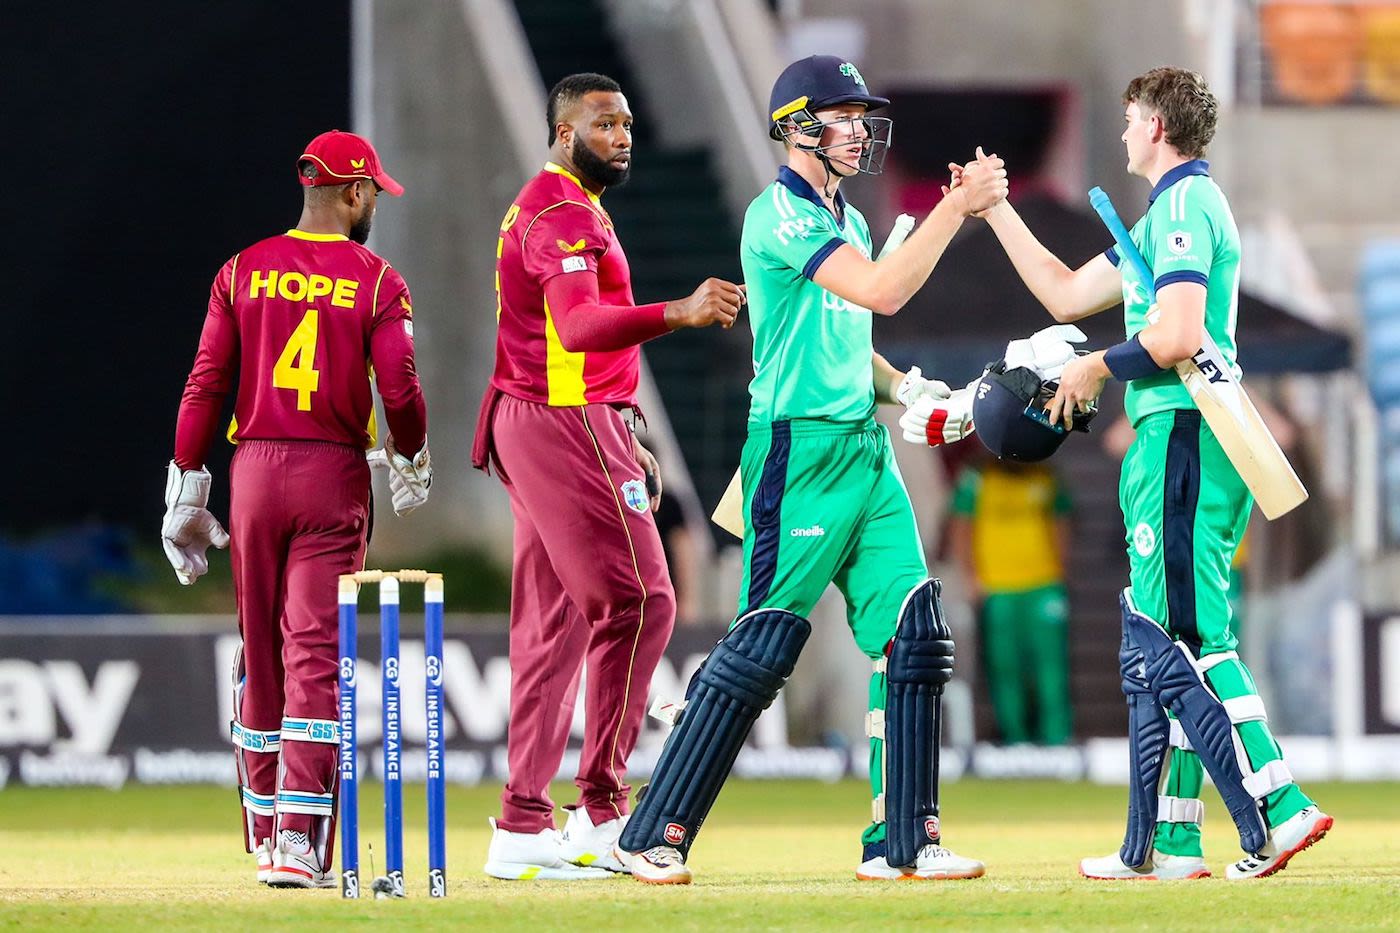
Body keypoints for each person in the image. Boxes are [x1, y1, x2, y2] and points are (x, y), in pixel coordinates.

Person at [614, 55, 1006, 885]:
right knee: (764, 646)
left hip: (865, 450)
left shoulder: (848, 220)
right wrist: (953, 208)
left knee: (917, 632)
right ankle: (651, 831)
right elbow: (883, 292)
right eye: (842, 115)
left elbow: (854, 341)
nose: (859, 130)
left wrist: (910, 389)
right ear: (797, 126)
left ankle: (904, 839)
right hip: (797, 455)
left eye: (864, 116)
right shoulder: (779, 217)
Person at [969, 66, 1330, 880]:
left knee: (1190, 640)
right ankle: (1169, 839)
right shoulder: (1164, 214)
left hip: (1186, 436)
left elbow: (1175, 335)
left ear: (1156, 126)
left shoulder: (1186, 207)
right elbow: (1064, 294)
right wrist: (996, 212)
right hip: (1182, 438)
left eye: (1131, 118)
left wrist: (1097, 367)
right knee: (1163, 640)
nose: (1125, 131)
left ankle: (1278, 803)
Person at [470, 72, 744, 880]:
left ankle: (523, 823)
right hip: (559, 420)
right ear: (563, 135)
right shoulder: (559, 212)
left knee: (553, 626)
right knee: (641, 598)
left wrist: (628, 419)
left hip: (552, 417)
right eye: (603, 124)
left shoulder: (568, 205)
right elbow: (578, 325)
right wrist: (680, 311)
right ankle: (599, 808)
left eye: (626, 122)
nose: (622, 135)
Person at [162, 130, 431, 888]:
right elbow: (401, 391)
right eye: (374, 190)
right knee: (314, 651)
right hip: (332, 477)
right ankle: (299, 841)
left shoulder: (240, 269)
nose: (375, 201)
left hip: (251, 475)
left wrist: (187, 483)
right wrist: (411, 452)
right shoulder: (379, 280)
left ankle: (262, 823)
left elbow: (205, 383)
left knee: (261, 647)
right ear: (352, 193)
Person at [947, 452, 1074, 745]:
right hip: (998, 588)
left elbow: (1061, 523)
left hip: (1043, 585)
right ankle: (1016, 739)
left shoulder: (1046, 476)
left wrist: (1060, 572)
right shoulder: (977, 478)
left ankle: (1058, 738)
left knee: (1051, 669)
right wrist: (971, 578)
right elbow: (961, 526)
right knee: (1005, 668)